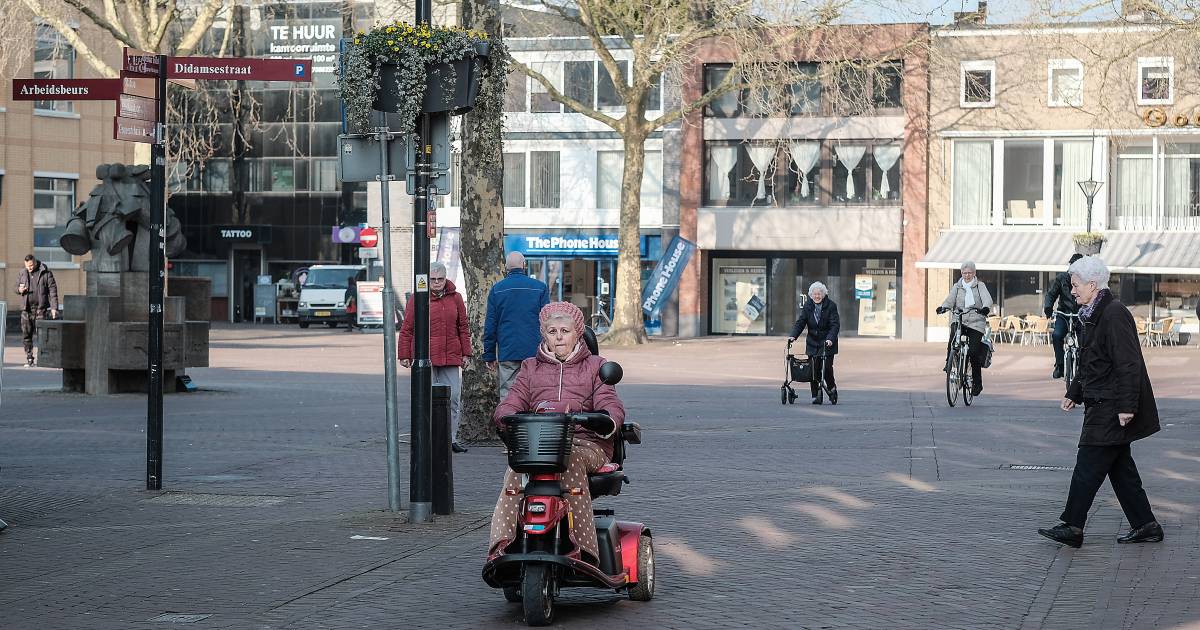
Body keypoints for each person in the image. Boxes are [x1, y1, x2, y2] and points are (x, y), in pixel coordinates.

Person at [1039, 256, 1163, 549]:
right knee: (1121, 469)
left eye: (1076, 285)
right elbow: (1092, 361)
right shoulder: (1093, 313)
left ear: (1093, 285)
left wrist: (1127, 406)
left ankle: (1073, 526)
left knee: (1087, 466)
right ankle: (1146, 525)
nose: (1072, 291)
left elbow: (1128, 363)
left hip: (1110, 406)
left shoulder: (1113, 313)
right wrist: (1074, 392)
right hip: (1100, 402)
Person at [488, 302, 625, 565]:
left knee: (570, 461)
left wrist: (607, 419)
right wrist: (505, 414)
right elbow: (513, 401)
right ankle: (501, 544)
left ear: (577, 333)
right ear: (544, 334)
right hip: (539, 443)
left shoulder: (596, 366)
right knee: (515, 469)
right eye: (552, 331)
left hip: (585, 443)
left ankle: (584, 550)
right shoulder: (530, 367)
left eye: (565, 330)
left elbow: (611, 404)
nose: (559, 336)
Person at [399, 262, 473, 453]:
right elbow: (407, 328)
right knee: (427, 398)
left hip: (451, 356)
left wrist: (467, 353)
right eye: (433, 279)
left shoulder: (456, 298)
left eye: (440, 279)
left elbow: (463, 327)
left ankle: (450, 439)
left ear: (445, 278)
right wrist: (404, 354)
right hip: (426, 357)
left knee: (454, 398)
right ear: (428, 280)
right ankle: (428, 438)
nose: (437, 283)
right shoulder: (417, 298)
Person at [482, 252, 549, 399]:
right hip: (535, 351)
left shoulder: (497, 290)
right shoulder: (540, 288)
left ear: (506, 268)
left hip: (508, 351)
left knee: (508, 394)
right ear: (524, 265)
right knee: (535, 392)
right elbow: (547, 321)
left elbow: (490, 325)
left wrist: (489, 354)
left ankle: (509, 421)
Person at [936, 261, 993, 396]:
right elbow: (950, 300)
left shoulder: (980, 286)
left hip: (976, 321)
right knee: (953, 336)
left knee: (974, 352)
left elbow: (987, 299)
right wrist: (944, 307)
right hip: (960, 318)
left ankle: (977, 384)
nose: (967, 275)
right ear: (961, 273)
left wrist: (985, 308)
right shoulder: (958, 286)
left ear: (974, 273)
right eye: (964, 273)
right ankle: (949, 362)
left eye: (969, 273)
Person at [788, 282, 840, 405]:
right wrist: (793, 335)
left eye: (819, 294)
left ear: (824, 294)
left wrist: (830, 339)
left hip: (827, 342)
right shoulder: (808, 306)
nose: (817, 296)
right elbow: (801, 322)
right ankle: (815, 394)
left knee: (826, 368)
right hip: (812, 342)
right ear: (811, 295)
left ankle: (832, 387)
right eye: (815, 294)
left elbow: (835, 325)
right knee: (813, 369)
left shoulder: (831, 306)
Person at [14, 254, 59, 368]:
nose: (30, 268)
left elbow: (53, 291)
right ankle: (29, 358)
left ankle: (44, 359)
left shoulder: (45, 272)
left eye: (31, 265)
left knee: (43, 336)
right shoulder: (22, 273)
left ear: (35, 262)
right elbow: (15, 287)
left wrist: (54, 308)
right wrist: (19, 290)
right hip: (26, 309)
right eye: (27, 266)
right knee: (26, 335)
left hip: (41, 310)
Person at [1044, 253, 1084, 379]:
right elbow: (1051, 294)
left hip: (1080, 315)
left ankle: (1084, 367)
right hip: (1064, 314)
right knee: (1056, 335)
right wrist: (1048, 308)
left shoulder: (1085, 279)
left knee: (1085, 339)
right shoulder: (1061, 278)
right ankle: (1060, 365)